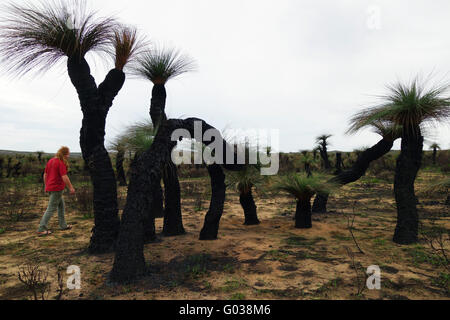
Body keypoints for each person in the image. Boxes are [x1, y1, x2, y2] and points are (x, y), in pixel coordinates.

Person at [37, 146, 75, 236]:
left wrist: (46, 186)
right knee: (51, 209)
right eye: (68, 154)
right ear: (65, 154)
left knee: (61, 206)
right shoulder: (60, 162)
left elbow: (45, 174)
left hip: (51, 187)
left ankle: (63, 225)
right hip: (57, 188)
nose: (68, 156)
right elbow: (64, 176)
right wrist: (71, 187)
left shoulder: (51, 161)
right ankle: (41, 228)